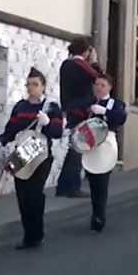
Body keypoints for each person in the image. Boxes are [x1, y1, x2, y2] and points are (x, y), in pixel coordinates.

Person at [0, 67, 63, 249]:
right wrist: (1, 140)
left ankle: (36, 233)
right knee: (22, 195)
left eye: (35, 84)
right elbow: (11, 130)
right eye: (29, 84)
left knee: (34, 193)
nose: (31, 88)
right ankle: (28, 234)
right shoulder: (20, 106)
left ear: (43, 87)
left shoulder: (51, 107)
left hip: (41, 153)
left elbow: (57, 132)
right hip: (22, 153)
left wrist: (47, 123)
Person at [57, 36, 101, 198]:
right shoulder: (81, 64)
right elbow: (99, 77)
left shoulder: (65, 65)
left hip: (69, 108)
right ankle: (72, 186)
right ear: (86, 51)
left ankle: (63, 185)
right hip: (81, 109)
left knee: (73, 147)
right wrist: (95, 62)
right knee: (78, 147)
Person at [85, 74, 127, 232]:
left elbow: (121, 118)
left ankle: (99, 216)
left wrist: (104, 111)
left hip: (106, 144)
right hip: (91, 145)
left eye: (102, 85)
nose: (98, 88)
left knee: (101, 181)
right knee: (92, 180)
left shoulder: (115, 103)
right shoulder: (89, 103)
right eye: (96, 84)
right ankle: (95, 212)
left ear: (109, 87)